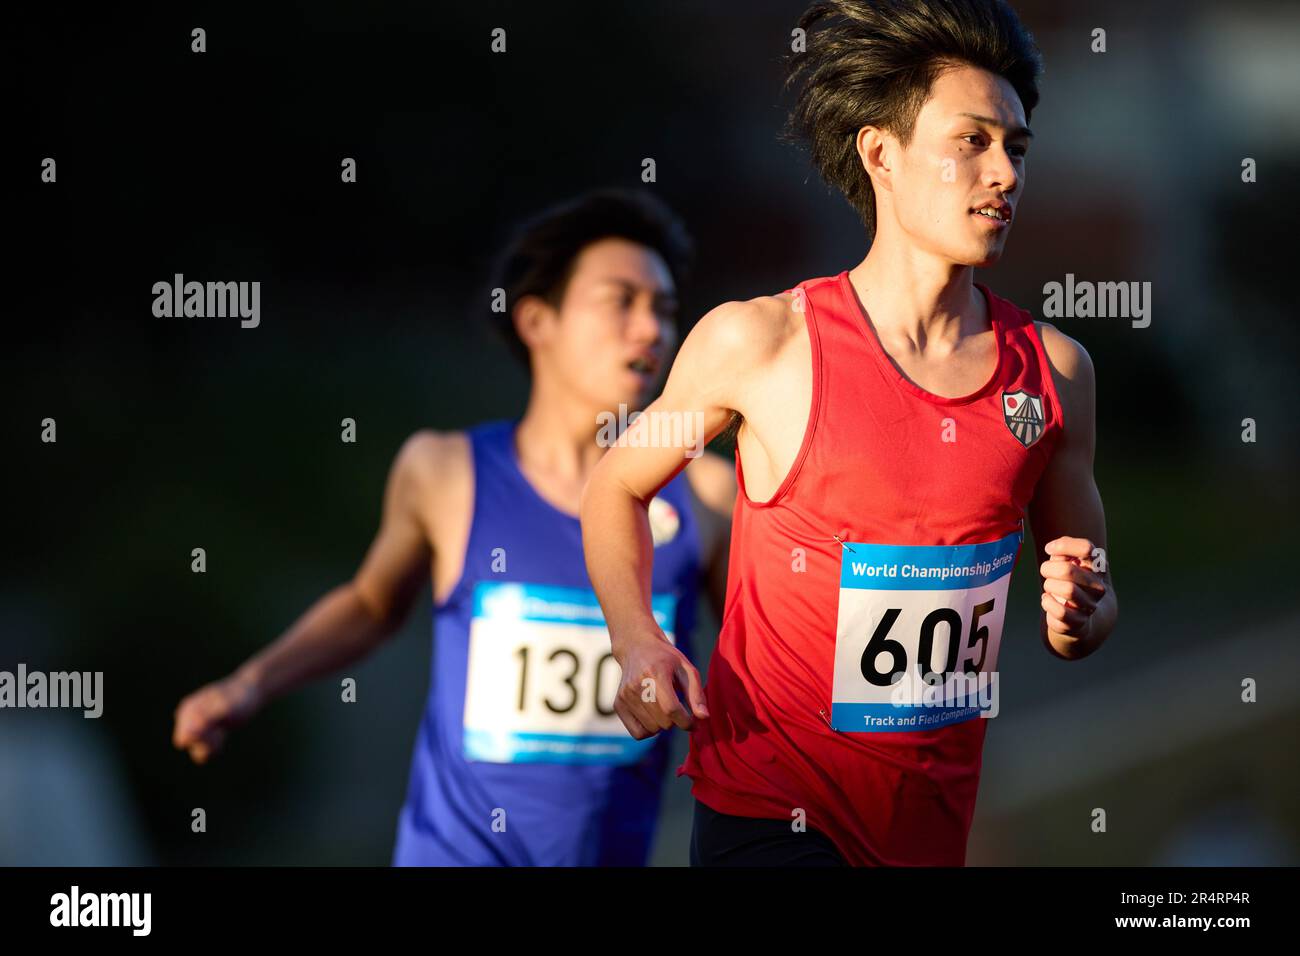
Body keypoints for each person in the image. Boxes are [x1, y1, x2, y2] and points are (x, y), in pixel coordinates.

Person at [579, 0, 1118, 866]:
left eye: (1016, 148)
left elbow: (1087, 609)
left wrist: (1076, 612)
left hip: (926, 834)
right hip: (771, 810)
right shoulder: (761, 343)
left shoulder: (1053, 373)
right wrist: (637, 637)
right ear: (882, 154)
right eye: (972, 141)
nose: (1005, 173)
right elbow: (615, 484)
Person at [172, 189, 737, 866]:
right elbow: (370, 606)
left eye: (665, 310)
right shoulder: (445, 472)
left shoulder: (707, 492)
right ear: (536, 320)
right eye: (621, 301)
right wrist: (249, 684)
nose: (651, 330)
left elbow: (760, 667)